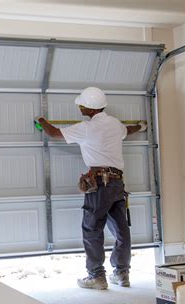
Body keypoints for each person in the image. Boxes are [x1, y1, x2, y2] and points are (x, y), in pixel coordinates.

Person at [35, 87, 147, 290]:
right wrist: (140, 126)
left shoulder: (86, 128)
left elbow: (53, 133)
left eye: (82, 104)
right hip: (117, 185)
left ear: (90, 108)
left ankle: (97, 276)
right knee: (121, 230)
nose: (79, 107)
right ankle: (122, 273)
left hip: (100, 185)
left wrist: (41, 120)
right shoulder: (114, 124)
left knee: (92, 228)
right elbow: (126, 131)